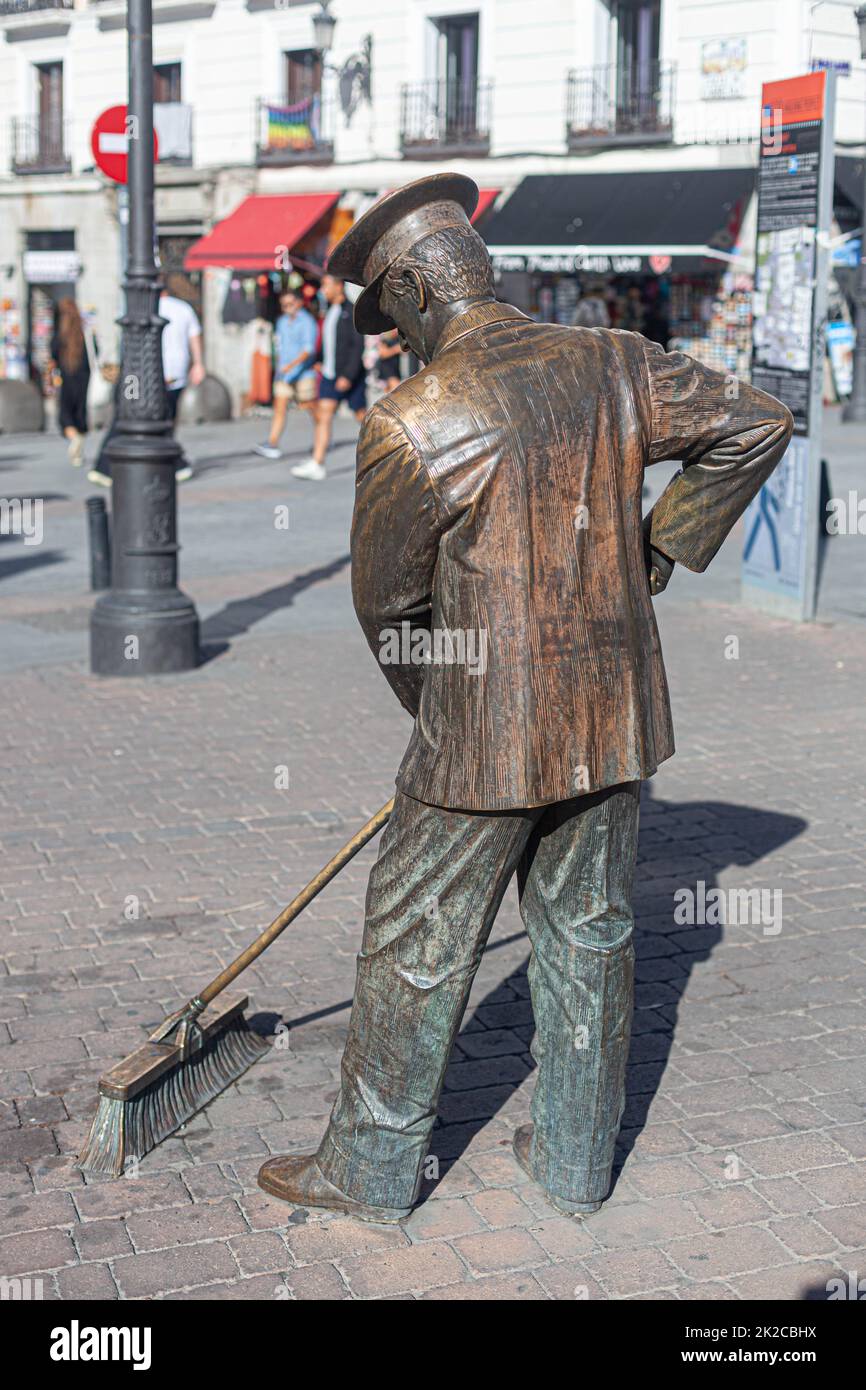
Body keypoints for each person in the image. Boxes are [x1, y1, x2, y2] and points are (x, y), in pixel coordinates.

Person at [255, 174, 793, 1224]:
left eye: (387, 309)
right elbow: (755, 422)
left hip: (480, 742)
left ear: (413, 291)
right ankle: (573, 1158)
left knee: (414, 939)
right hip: (610, 717)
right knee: (588, 930)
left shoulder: (414, 417)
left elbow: (390, 611)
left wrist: (440, 713)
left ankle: (369, 1168)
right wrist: (656, 547)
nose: (392, 335)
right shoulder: (614, 362)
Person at [87, 280, 203, 486]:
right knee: (164, 418)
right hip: (173, 375)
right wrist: (198, 364)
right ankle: (174, 464)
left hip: (136, 377)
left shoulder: (136, 308)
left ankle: (106, 467)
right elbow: (194, 338)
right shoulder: (183, 309)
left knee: (127, 415)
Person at [291, 273, 366, 482]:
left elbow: (356, 346)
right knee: (324, 415)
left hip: (349, 376)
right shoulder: (330, 311)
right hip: (329, 374)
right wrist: (319, 360)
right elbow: (328, 342)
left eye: (326, 286)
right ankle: (318, 462)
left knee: (362, 417)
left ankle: (386, 449)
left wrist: (348, 376)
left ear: (338, 286)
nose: (323, 290)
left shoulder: (350, 312)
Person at [253, 287, 317, 460]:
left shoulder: (307, 322)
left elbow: (308, 350)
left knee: (310, 408)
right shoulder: (281, 322)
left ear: (298, 302)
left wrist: (291, 366)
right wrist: (281, 367)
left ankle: (321, 437)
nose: (288, 307)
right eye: (284, 305)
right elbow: (280, 346)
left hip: (303, 373)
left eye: (290, 304)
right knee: (279, 408)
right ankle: (272, 443)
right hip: (284, 375)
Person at [51, 298, 90, 467]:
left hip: (66, 378)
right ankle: (78, 449)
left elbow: (53, 353)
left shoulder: (60, 334)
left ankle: (74, 440)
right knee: (80, 412)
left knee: (65, 415)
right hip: (84, 377)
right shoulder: (83, 332)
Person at [375, 327, 403, 393]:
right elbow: (382, 354)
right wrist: (396, 349)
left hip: (395, 369)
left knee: (389, 394)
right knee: (397, 391)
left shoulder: (398, 339)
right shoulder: (385, 339)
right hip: (388, 369)